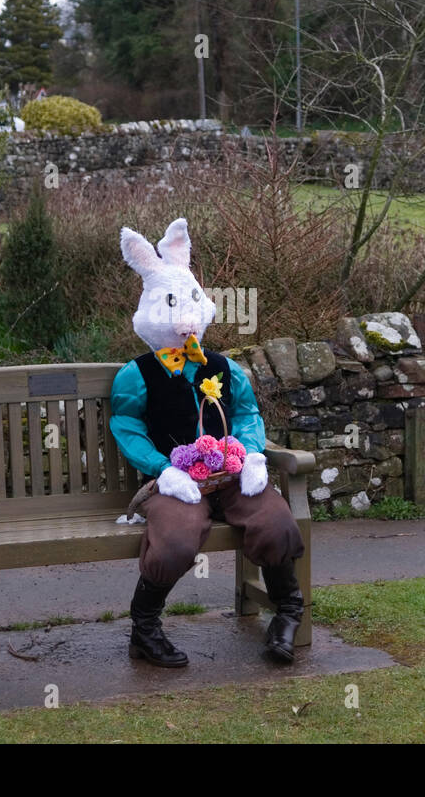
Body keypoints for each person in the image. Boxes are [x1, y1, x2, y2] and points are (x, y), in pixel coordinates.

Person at [110, 218, 306, 667]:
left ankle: (287, 613)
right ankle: (144, 629)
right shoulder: (136, 375)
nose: (184, 320)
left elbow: (246, 413)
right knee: (177, 540)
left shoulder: (224, 367)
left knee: (275, 521)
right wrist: (164, 468)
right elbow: (128, 428)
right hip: (175, 482)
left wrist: (252, 454)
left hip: (229, 473)